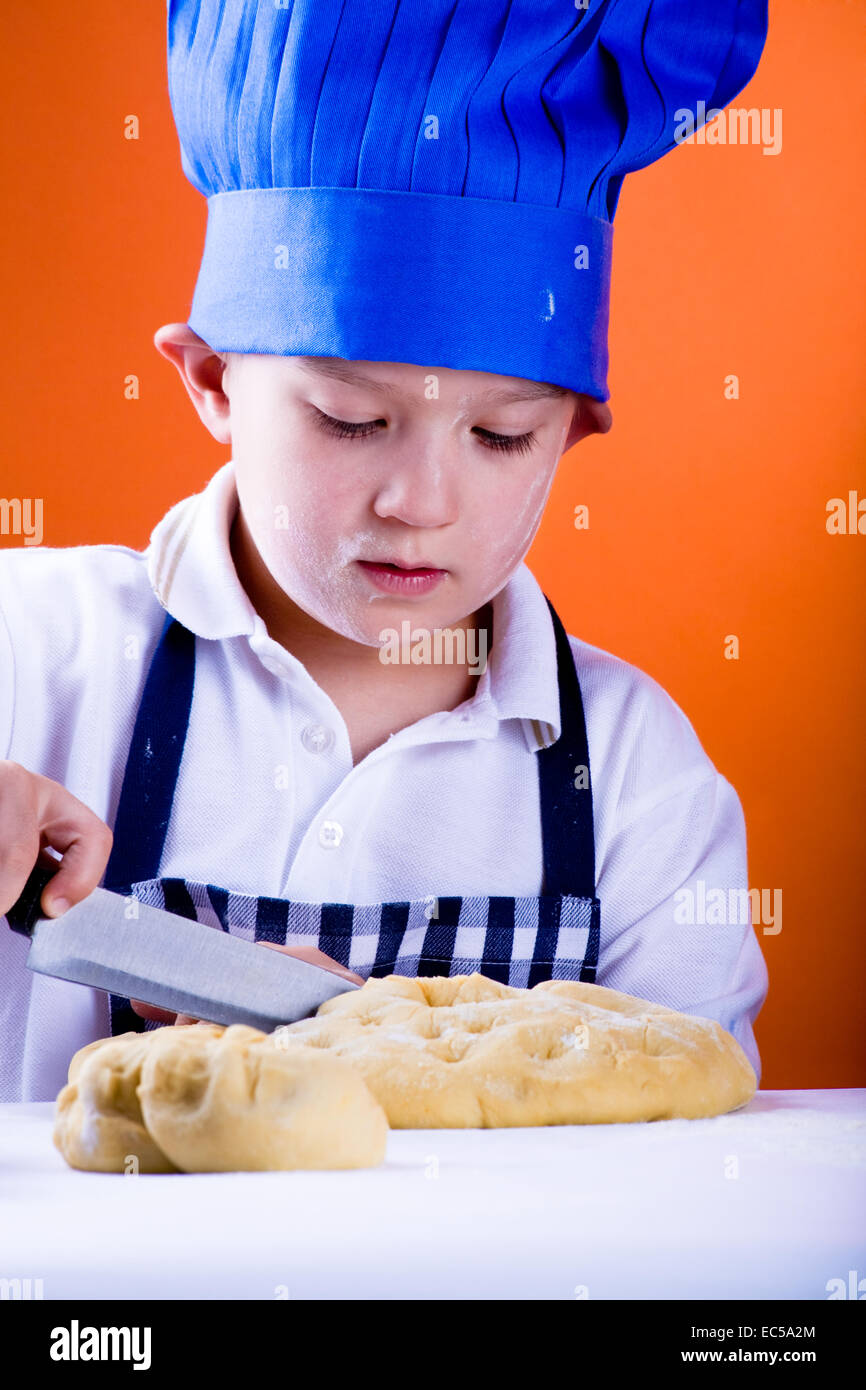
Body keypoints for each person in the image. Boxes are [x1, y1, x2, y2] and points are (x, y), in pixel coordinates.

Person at [0, 0, 770, 1101]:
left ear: (574, 431)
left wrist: (378, 1056)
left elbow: (687, 1165)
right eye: (349, 420)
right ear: (210, 381)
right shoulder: (29, 651)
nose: (420, 501)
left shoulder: (639, 776)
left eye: (501, 435)